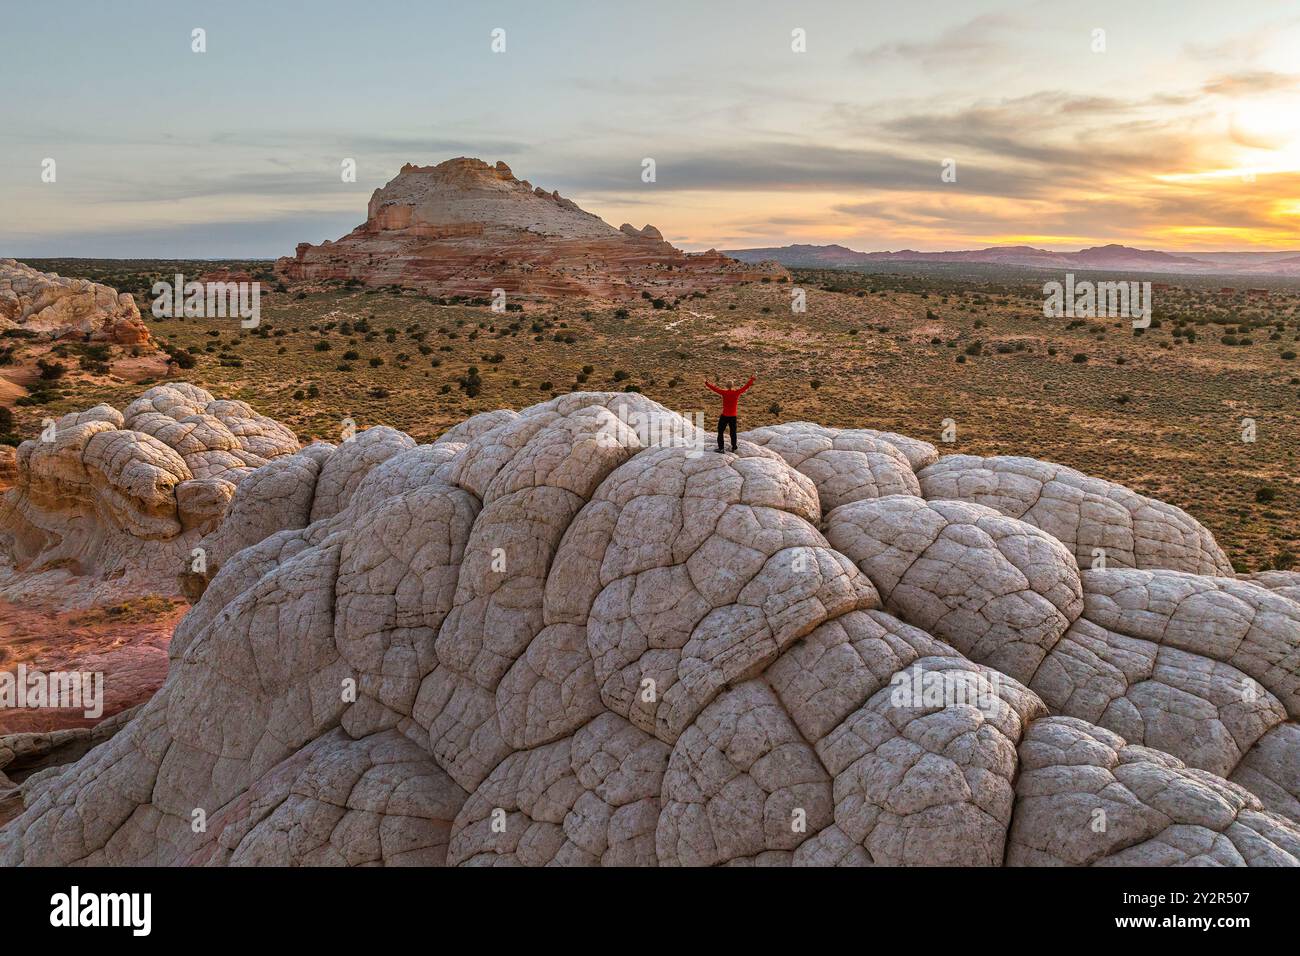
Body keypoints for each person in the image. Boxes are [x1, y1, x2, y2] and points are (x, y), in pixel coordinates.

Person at [705, 375, 754, 452]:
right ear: (733, 386)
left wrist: (706, 383)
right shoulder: (736, 392)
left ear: (726, 386)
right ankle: (734, 447)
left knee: (720, 431)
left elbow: (715, 389)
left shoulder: (724, 392)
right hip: (733, 416)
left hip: (724, 415)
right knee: (733, 432)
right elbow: (746, 387)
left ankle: (721, 448)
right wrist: (752, 379)